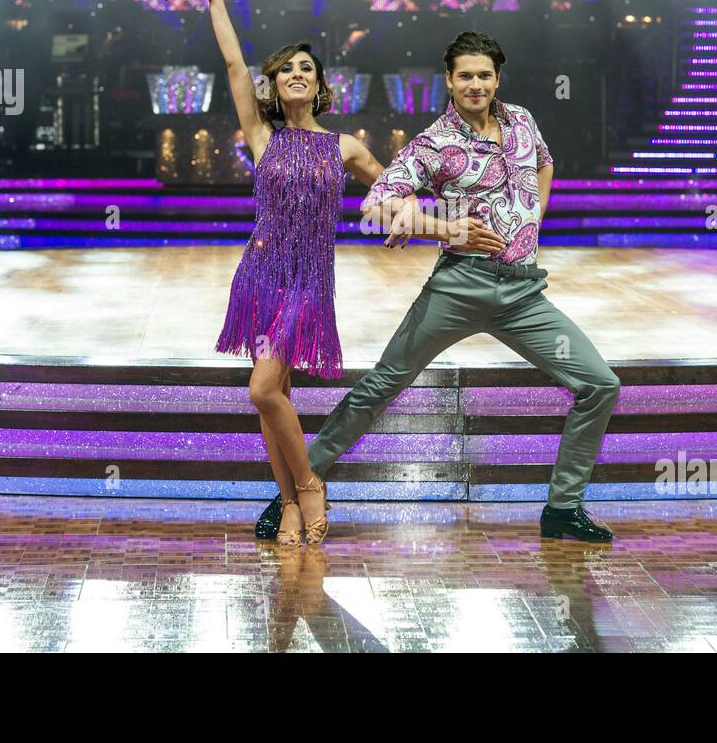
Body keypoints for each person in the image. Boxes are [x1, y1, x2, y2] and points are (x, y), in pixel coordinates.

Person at [255, 30, 621, 542]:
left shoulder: (522, 121)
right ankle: (293, 489)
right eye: (466, 76)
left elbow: (544, 161)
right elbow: (375, 204)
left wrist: (533, 216)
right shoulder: (433, 144)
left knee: (600, 384)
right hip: (458, 288)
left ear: (497, 79)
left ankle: (562, 509)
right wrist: (438, 224)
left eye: (485, 75)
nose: (476, 85)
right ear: (449, 81)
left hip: (522, 294)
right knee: (380, 387)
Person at [164, 0, 388, 547]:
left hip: (309, 281)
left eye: (306, 69)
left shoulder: (345, 147)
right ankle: (289, 503)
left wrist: (414, 218)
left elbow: (394, 191)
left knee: (262, 391)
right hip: (261, 277)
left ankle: (309, 485)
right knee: (276, 394)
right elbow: (236, 67)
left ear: (319, 86)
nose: (295, 74)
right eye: (286, 68)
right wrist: (217, 2)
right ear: (277, 84)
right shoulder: (262, 135)